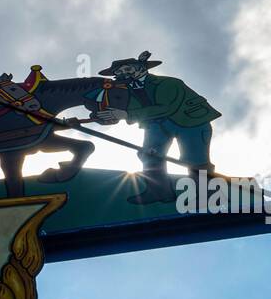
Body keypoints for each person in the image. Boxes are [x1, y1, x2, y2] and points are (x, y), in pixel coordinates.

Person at [94, 50, 221, 202]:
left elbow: (165, 107)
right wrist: (106, 116)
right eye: (119, 72)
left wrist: (126, 114)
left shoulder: (168, 83)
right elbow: (131, 112)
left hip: (191, 123)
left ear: (141, 68)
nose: (123, 74)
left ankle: (207, 195)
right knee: (148, 155)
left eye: (127, 69)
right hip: (157, 125)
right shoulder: (129, 91)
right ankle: (158, 193)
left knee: (194, 159)